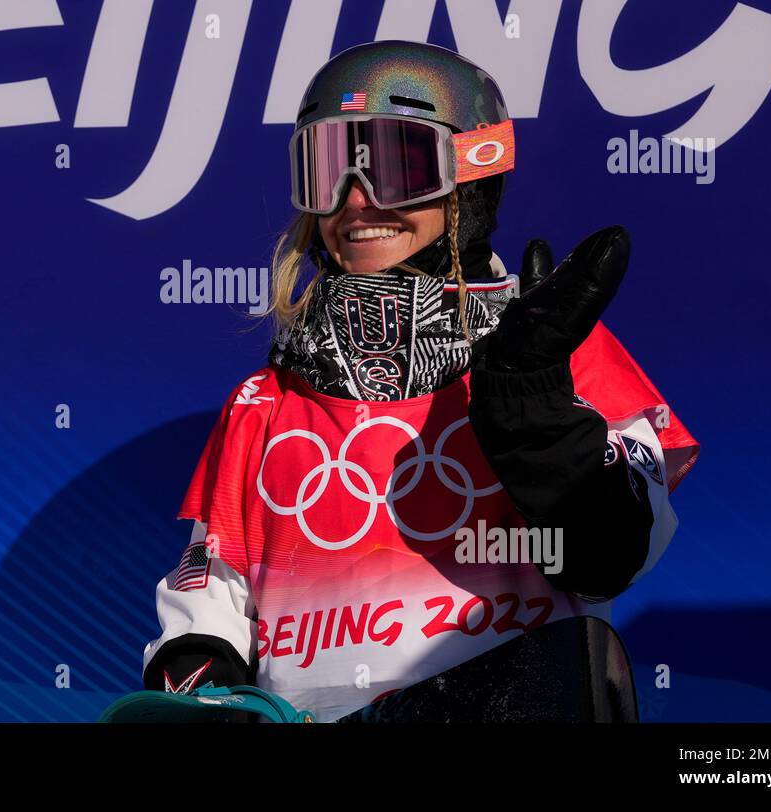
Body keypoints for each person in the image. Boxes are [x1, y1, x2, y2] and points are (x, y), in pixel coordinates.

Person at [140, 40, 700, 723]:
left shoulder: (559, 352)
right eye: (326, 171)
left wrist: (537, 412)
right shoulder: (267, 400)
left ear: (470, 180)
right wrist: (199, 669)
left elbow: (613, 556)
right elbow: (212, 593)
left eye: (396, 168)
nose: (355, 202)